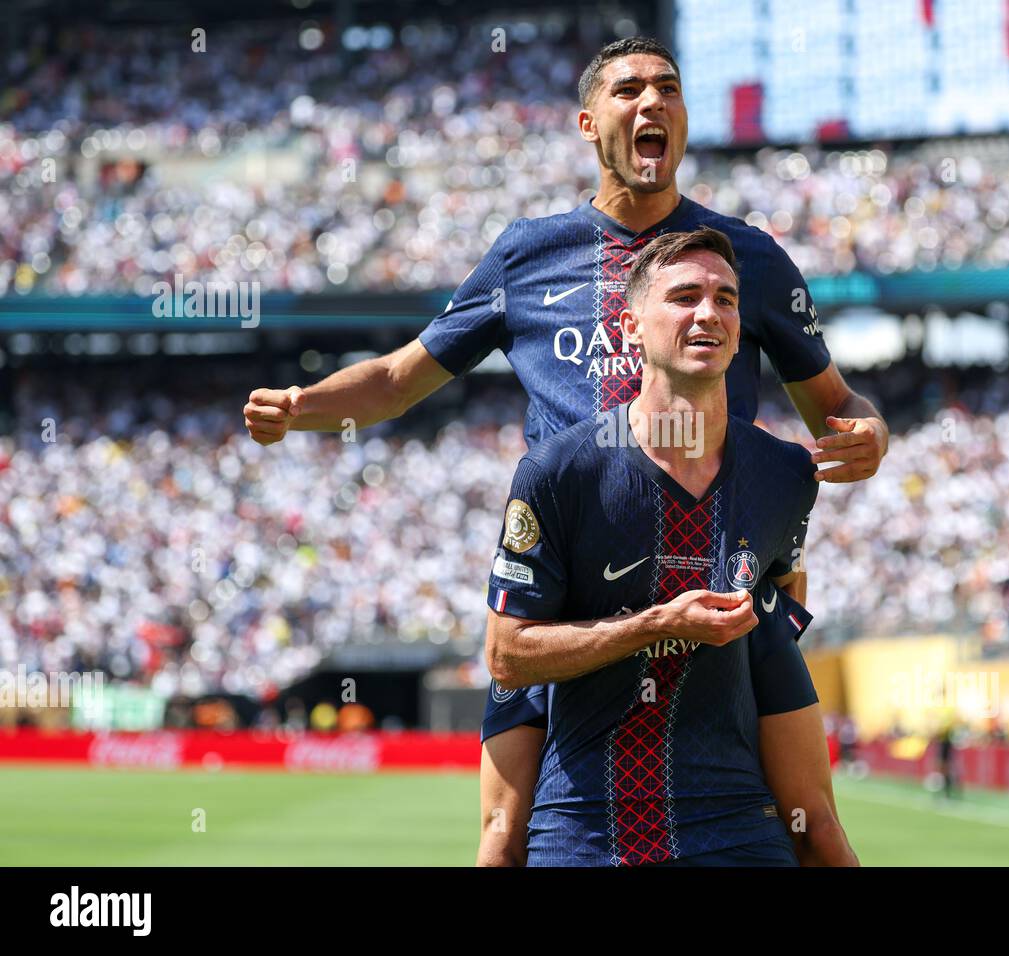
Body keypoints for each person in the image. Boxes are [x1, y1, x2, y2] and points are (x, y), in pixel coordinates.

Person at [243, 37, 886, 866]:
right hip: (565, 587)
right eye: (628, 91)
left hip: (719, 574)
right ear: (589, 122)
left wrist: (868, 436)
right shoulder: (528, 254)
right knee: (505, 836)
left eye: (668, 89)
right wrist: (304, 406)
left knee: (800, 823)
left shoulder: (743, 260)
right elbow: (402, 379)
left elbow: (837, 407)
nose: (652, 103)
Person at [483, 227, 850, 865]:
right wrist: (656, 625)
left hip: (739, 830)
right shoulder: (559, 472)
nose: (709, 312)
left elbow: (779, 628)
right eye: (684, 297)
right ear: (631, 328)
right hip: (587, 833)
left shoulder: (788, 476)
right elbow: (507, 656)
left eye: (726, 299)